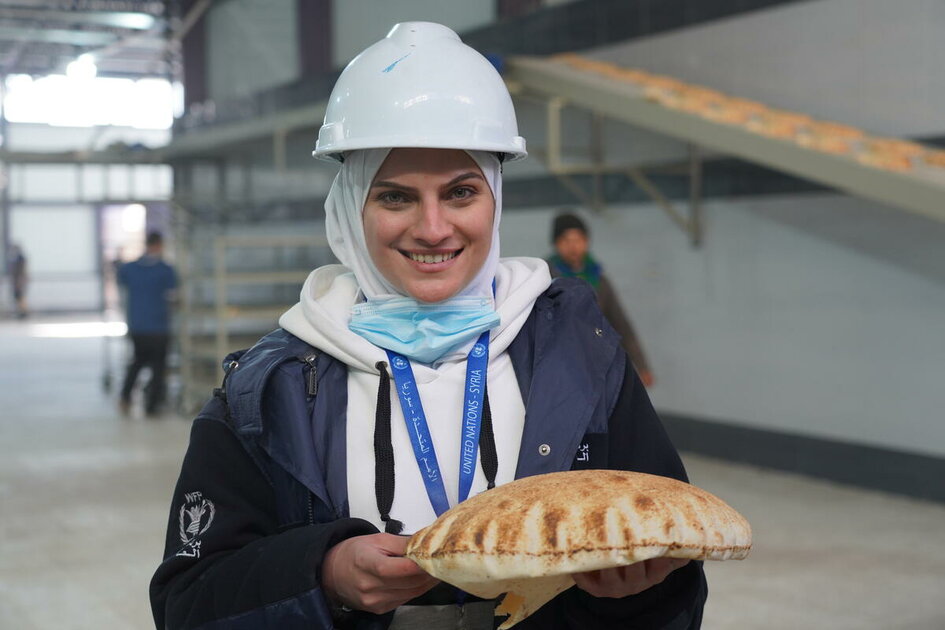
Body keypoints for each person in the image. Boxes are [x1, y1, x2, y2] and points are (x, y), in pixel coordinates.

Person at [150, 22, 705, 629]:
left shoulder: (581, 356)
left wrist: (635, 591)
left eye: (461, 192)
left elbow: (676, 569)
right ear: (349, 208)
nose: (434, 228)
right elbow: (189, 604)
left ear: (495, 200)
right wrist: (323, 574)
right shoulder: (267, 389)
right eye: (395, 197)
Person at [548, 212, 655, 387]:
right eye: (565, 240)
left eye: (578, 240)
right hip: (558, 367)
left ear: (586, 242)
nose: (573, 246)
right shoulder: (546, 278)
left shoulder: (599, 280)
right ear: (556, 244)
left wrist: (641, 365)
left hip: (593, 364)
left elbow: (621, 323)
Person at [118, 231, 177, 416]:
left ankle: (125, 397)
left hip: (138, 325)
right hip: (159, 326)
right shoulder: (165, 270)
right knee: (158, 366)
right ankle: (152, 406)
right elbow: (173, 296)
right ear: (159, 245)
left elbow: (122, 287)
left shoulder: (130, 268)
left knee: (137, 362)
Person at [8, 243, 28, 318]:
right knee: (18, 297)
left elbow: (22, 271)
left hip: (19, 281)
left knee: (20, 296)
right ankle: (21, 311)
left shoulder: (21, 258)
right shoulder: (16, 258)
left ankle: (23, 312)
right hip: (17, 281)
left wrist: (20, 281)